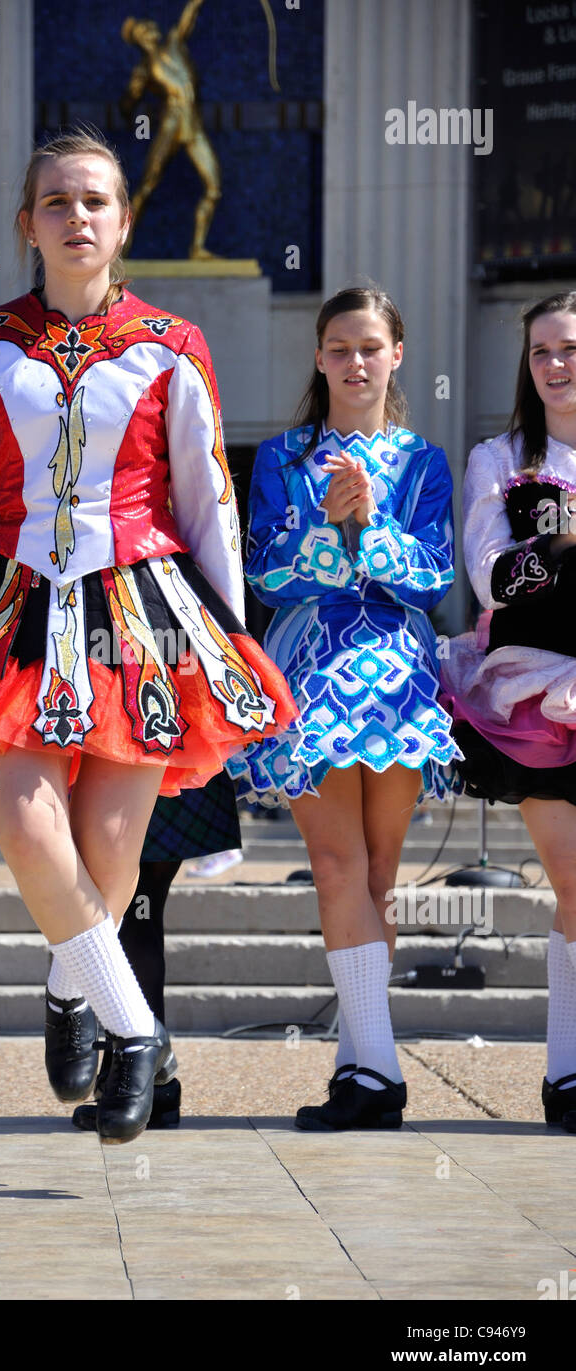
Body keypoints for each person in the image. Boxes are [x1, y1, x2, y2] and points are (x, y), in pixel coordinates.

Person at [0, 129, 295, 1144]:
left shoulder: (172, 341)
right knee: (26, 826)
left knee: (112, 842)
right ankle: (134, 1029)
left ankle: (72, 988)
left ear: (122, 221)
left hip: (141, 612)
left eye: (96, 201)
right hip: (11, 605)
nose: (78, 217)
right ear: (26, 223)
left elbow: (206, 498)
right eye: (58, 201)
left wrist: (231, 642)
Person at [227, 285, 459, 1131]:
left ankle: (356, 1066)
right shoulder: (283, 456)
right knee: (333, 867)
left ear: (395, 355)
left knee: (376, 878)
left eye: (369, 347)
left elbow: (432, 580)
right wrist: (330, 530)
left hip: (396, 673)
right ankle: (383, 1074)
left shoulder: (425, 461)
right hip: (312, 669)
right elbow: (263, 576)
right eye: (337, 347)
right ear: (318, 358)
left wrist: (371, 526)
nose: (354, 362)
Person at [440, 290, 576, 1136]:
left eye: (568, 348)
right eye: (540, 353)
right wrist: (561, 547)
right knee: (573, 885)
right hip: (536, 695)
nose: (556, 365)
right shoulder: (499, 457)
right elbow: (488, 580)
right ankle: (564, 1072)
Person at [44, 768, 243, 1130]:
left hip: (122, 753)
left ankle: (139, 1076)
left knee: (118, 908)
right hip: (173, 744)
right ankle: (147, 1080)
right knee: (140, 909)